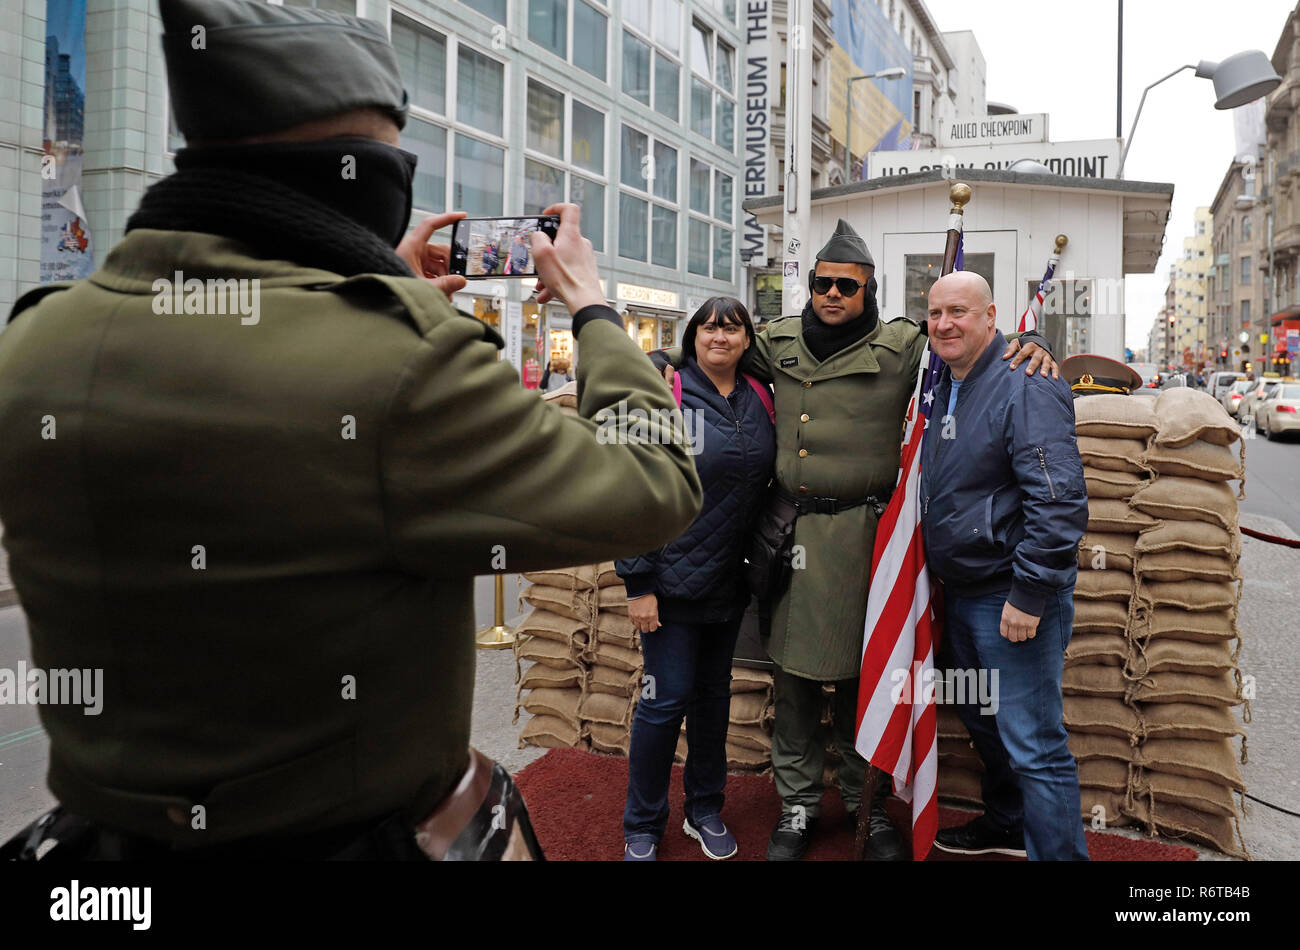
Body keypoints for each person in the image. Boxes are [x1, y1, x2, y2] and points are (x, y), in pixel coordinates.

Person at [0, 0, 701, 860]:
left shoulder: (38, 338)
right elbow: (653, 483)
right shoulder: (405, 363)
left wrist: (366, 284)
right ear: (356, 172)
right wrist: (593, 307)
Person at [657, 219, 1057, 861]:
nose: (833, 294)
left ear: (869, 290)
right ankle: (795, 807)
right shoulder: (779, 340)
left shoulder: (903, 344)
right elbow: (718, 350)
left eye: (848, 285)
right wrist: (664, 360)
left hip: (868, 537)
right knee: (792, 678)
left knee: (860, 673)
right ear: (811, 286)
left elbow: (968, 343)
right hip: (791, 533)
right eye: (823, 284)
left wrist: (1031, 339)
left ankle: (867, 808)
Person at [921, 272, 1090, 861]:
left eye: (959, 312)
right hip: (964, 592)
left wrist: (1030, 592)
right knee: (985, 722)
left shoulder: (1027, 382)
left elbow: (1059, 500)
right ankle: (1008, 823)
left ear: (991, 317)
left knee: (1035, 745)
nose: (945, 323)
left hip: (1009, 595)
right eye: (936, 312)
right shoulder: (944, 381)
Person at [616, 298, 777, 861]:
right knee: (664, 703)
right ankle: (642, 824)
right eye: (709, 326)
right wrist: (637, 583)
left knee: (713, 701)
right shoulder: (667, 389)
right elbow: (633, 488)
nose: (720, 336)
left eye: (732, 328)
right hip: (669, 583)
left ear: (747, 340)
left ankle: (704, 810)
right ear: (692, 335)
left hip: (729, 584)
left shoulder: (761, 396)